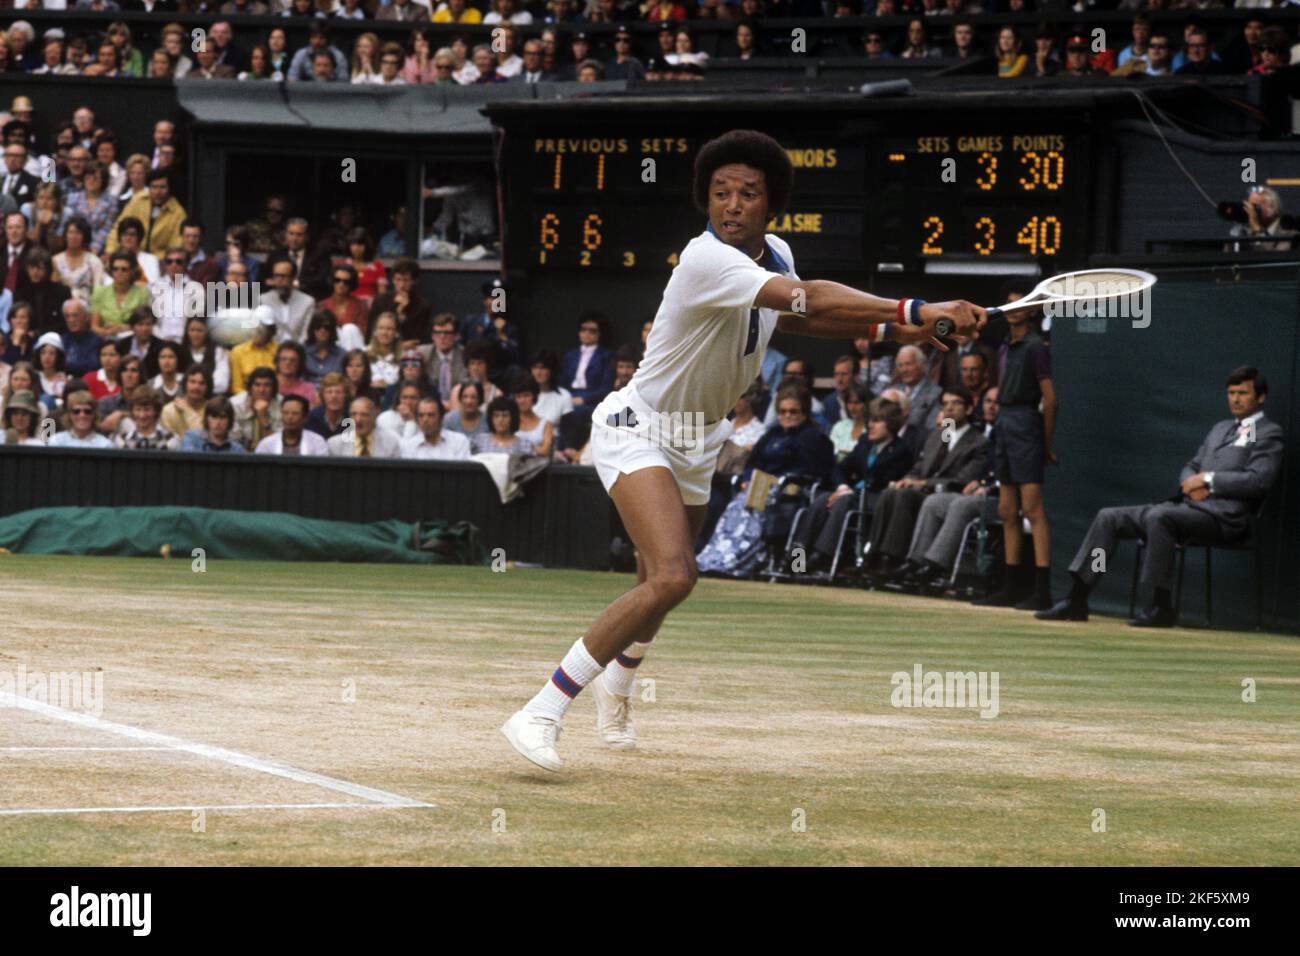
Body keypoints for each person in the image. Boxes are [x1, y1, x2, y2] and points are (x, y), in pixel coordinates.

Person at [500, 129, 983, 772]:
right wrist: (916, 306)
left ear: (770, 205)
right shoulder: (705, 259)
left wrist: (911, 326)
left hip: (700, 438)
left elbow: (802, 318)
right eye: (720, 193)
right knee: (675, 574)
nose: (730, 205)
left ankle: (615, 691)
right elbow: (807, 297)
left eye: (747, 194)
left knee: (659, 582)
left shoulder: (773, 252)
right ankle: (542, 708)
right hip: (638, 427)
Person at [1038, 367, 1284, 628]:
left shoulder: (1267, 432)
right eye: (1231, 393)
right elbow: (1192, 464)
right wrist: (1190, 483)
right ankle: (1079, 596)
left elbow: (1258, 480)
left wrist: (1208, 481)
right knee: (1109, 517)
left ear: (1260, 398)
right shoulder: (1220, 428)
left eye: (1242, 393)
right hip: (1189, 507)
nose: (1235, 399)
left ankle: (1161, 605)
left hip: (1226, 518)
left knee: (1160, 517)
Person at [697, 381, 836, 578]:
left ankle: (745, 562)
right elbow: (752, 463)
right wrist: (747, 479)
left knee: (757, 508)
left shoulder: (813, 438)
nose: (787, 416)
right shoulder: (772, 434)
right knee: (735, 507)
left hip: (790, 490)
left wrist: (777, 480)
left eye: (793, 411)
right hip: (758, 487)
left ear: (804, 412)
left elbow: (814, 469)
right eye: (783, 411)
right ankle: (716, 558)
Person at [971, 305, 1057, 611]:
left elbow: (1050, 399)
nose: (1013, 311)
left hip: (1025, 423)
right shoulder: (1006, 345)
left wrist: (1045, 444)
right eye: (1010, 304)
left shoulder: (1035, 347)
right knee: (1007, 509)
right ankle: (1010, 586)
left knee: (1032, 509)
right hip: (1005, 422)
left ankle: (1042, 589)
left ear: (1031, 311)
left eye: (1021, 304)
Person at [863, 385, 989, 578]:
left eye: (955, 403)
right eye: (945, 404)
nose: (949, 408)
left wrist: (922, 484)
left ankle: (894, 557)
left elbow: (962, 479)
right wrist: (907, 479)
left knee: (905, 495)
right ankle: (873, 555)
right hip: (922, 490)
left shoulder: (978, 442)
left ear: (970, 409)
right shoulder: (937, 436)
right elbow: (918, 468)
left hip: (946, 493)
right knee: (891, 491)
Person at [401, 395, 472, 460]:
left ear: (441, 417)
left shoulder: (459, 442)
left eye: (431, 415)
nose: (425, 420)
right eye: (421, 415)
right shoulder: (409, 446)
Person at [326, 395, 400, 457]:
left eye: (364, 414)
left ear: (374, 416)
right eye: (354, 414)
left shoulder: (390, 444)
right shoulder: (334, 444)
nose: (358, 420)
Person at [255, 393, 327, 455]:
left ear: (305, 417)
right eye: (286, 413)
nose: (290, 417)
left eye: (295, 413)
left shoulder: (317, 442)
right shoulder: (267, 443)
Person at [230, 366, 283, 450]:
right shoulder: (235, 404)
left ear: (273, 388)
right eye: (257, 385)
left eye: (267, 385)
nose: (262, 390)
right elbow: (233, 441)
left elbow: (277, 447)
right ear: (250, 388)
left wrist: (264, 418)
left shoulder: (283, 405)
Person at [180, 317, 230, 396]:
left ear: (207, 332)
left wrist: (197, 389)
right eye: (192, 330)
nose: (195, 334)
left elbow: (222, 384)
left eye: (199, 330)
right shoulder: (180, 351)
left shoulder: (218, 351)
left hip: (211, 399)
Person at [48, 389, 113, 448]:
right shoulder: (56, 441)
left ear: (94, 414)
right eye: (76, 411)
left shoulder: (105, 445)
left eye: (87, 411)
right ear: (69, 415)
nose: (82, 415)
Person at [180, 396, 245, 453]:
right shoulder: (192, 437)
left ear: (230, 420)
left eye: (222, 417)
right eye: (214, 416)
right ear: (207, 418)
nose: (218, 422)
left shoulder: (237, 449)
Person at [160, 365, 212, 437]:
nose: (196, 387)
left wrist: (187, 410)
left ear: (208, 387)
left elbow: (205, 439)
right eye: (192, 382)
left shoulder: (213, 411)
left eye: (202, 383)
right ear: (185, 384)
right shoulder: (168, 411)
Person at [510, 374, 554, 457]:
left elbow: (545, 451)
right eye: (518, 396)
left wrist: (518, 448)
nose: (522, 400)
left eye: (526, 395)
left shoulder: (546, 424)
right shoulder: (509, 422)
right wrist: (533, 448)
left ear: (534, 396)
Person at [304, 308, 346, 383]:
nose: (322, 330)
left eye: (327, 327)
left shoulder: (342, 354)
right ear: (312, 329)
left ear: (332, 330)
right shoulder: (302, 352)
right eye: (318, 326)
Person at [306, 371, 349, 439]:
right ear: (322, 395)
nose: (334, 396)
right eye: (329, 392)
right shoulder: (312, 418)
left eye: (338, 392)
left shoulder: (352, 417)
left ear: (345, 395)